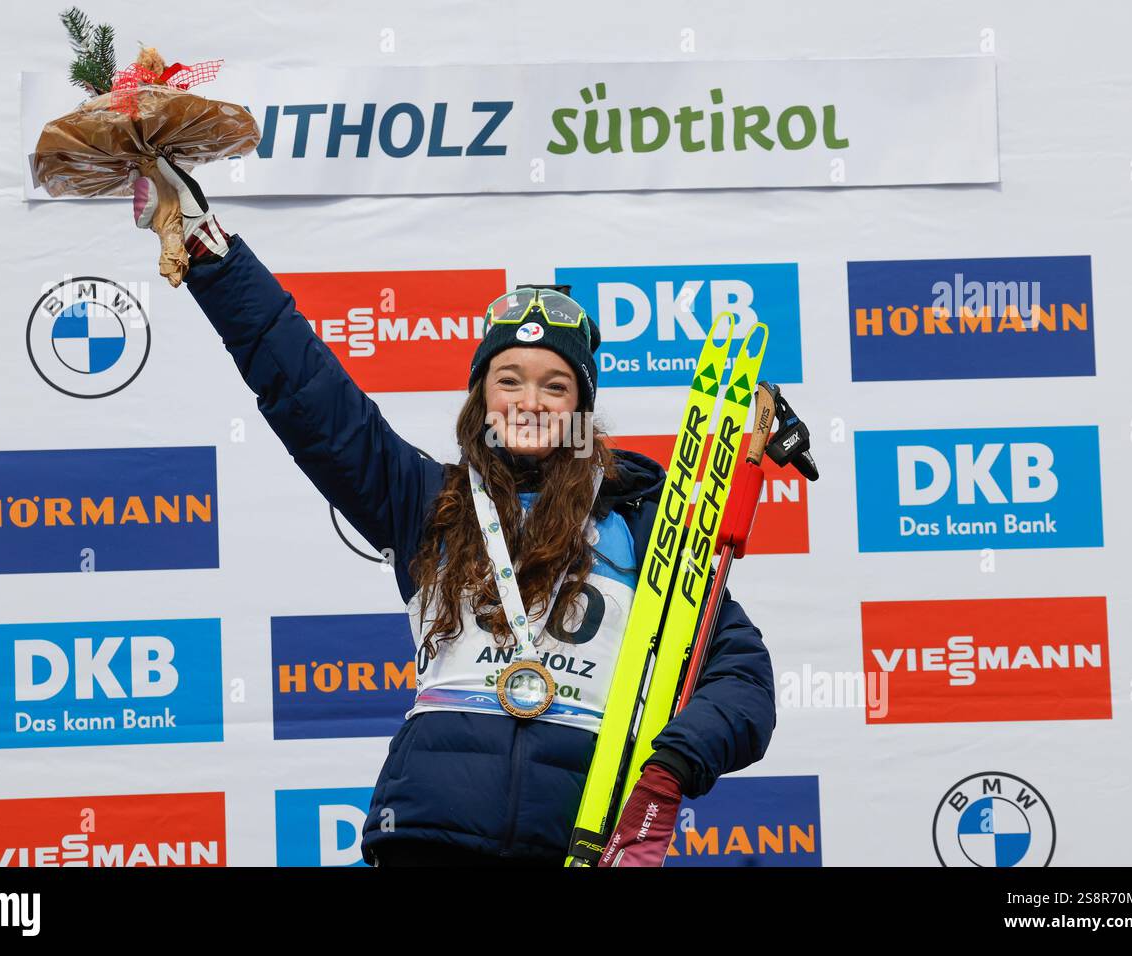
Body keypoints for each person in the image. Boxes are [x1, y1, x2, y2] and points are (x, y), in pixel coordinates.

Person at [130, 157, 777, 867]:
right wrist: (208, 250)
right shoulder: (428, 504)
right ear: (482, 399)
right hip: (428, 836)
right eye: (510, 379)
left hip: (581, 840)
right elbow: (307, 391)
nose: (530, 401)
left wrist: (667, 771)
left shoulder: (642, 527)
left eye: (555, 385)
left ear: (580, 410)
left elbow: (741, 679)